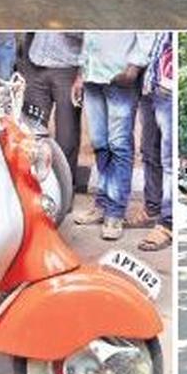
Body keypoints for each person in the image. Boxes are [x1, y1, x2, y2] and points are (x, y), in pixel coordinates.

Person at [71, 33, 152, 241]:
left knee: (119, 146)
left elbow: (148, 29)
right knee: (100, 144)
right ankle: (102, 205)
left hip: (119, 76)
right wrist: (81, 73)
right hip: (92, 75)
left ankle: (115, 213)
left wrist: (134, 67)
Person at [21, 32, 83, 185]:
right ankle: (33, 187)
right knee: (31, 132)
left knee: (67, 135)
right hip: (36, 65)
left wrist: (82, 74)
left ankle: (64, 189)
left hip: (68, 68)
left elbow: (89, 35)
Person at [137, 33, 173, 252]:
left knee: (168, 159)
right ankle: (152, 208)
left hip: (170, 87)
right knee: (149, 151)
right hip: (150, 84)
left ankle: (168, 223)